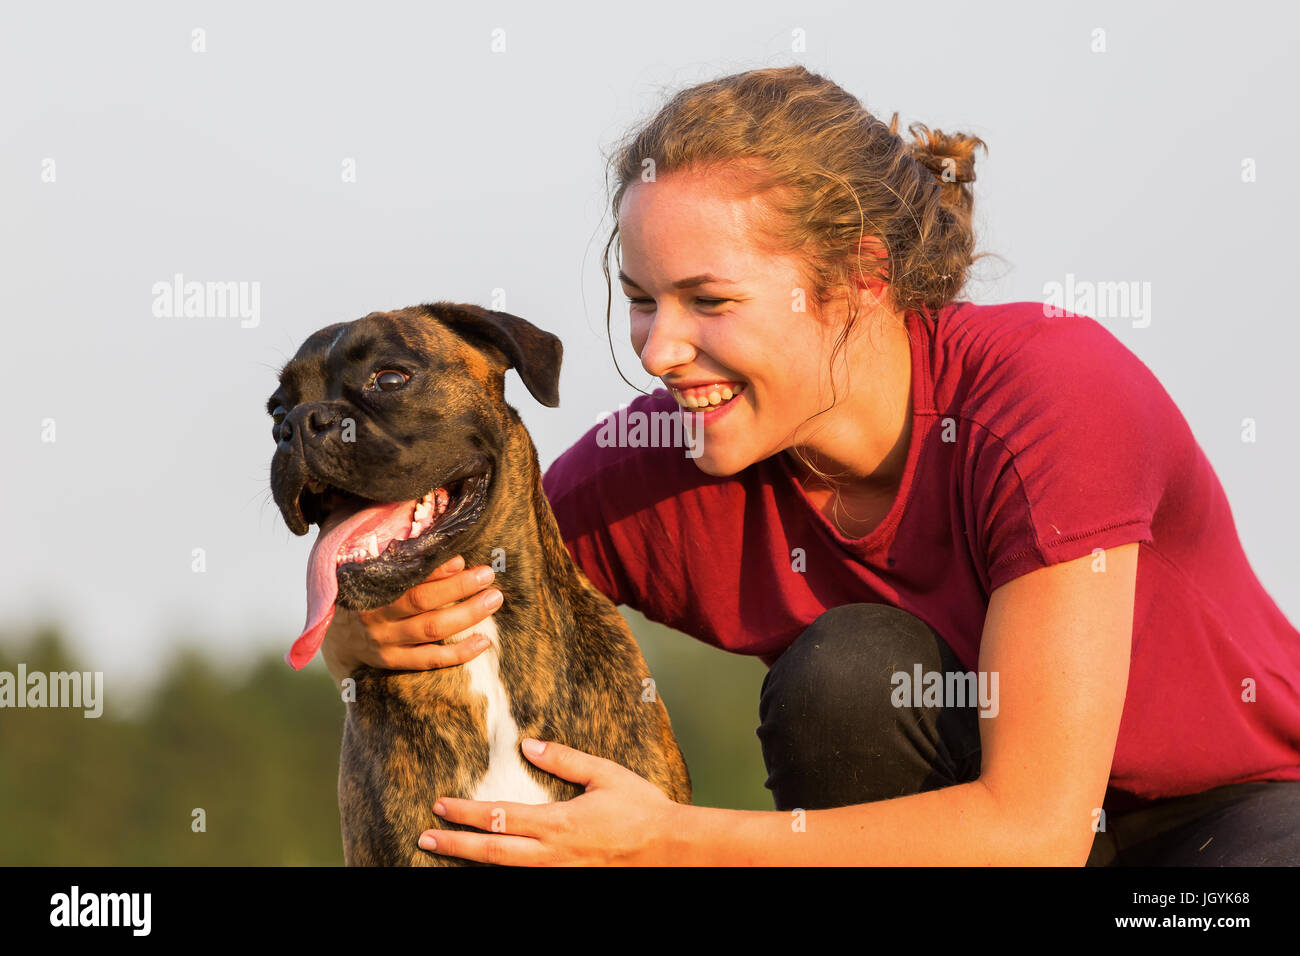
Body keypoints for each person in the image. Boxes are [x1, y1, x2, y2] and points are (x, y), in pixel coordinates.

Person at [320, 65, 1300, 865]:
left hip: (1226, 817)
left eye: (708, 300)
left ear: (857, 279)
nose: (658, 349)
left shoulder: (1050, 399)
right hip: (966, 832)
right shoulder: (660, 460)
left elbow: (1036, 833)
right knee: (850, 677)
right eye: (642, 298)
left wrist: (668, 839)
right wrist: (359, 640)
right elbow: (449, 576)